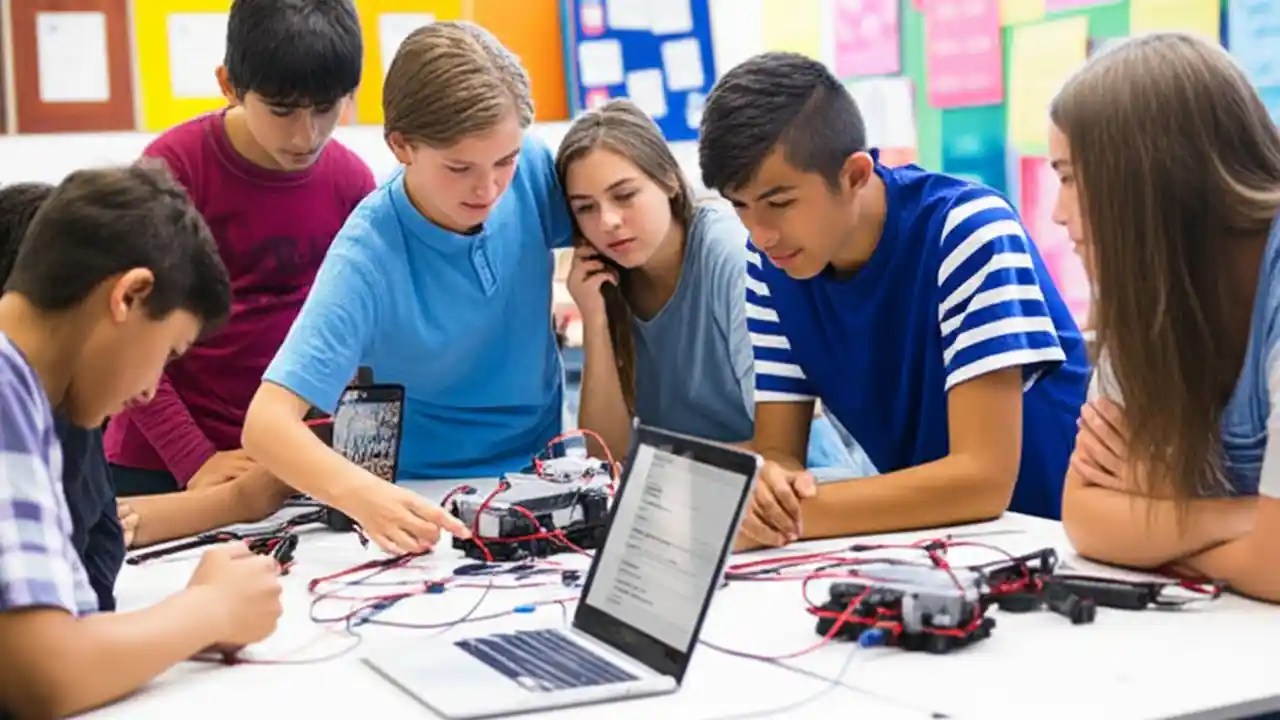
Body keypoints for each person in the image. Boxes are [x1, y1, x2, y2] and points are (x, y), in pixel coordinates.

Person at [698, 52, 1089, 550]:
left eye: (779, 203)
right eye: (740, 207)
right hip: (929, 547)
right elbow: (779, 452)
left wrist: (780, 518)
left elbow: (983, 480)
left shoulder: (967, 231)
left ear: (856, 174)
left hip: (1053, 544)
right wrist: (767, 494)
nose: (761, 233)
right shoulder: (769, 265)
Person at [244, 21, 570, 554]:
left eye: (503, 161)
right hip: (425, 497)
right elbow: (265, 426)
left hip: (547, 476)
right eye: (459, 167)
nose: (488, 187)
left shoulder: (531, 166)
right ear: (401, 145)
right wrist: (361, 495)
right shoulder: (368, 253)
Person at [0, 163, 282, 719]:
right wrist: (209, 610)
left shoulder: (32, 401)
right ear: (129, 296)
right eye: (168, 352)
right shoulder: (7, 391)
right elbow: (44, 676)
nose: (151, 388)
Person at [104, 0, 375, 497]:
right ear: (229, 84)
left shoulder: (353, 183)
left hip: (291, 459)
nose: (306, 134)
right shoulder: (172, 170)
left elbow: (353, 336)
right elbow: (126, 334)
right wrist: (195, 461)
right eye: (281, 109)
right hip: (161, 463)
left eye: (325, 108)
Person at [1052, 33, 1280, 601]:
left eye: (1069, 178)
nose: (1058, 214)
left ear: (1145, 179)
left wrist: (1163, 514)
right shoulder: (1153, 289)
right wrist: (1241, 518)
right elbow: (1084, 516)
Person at [556, 98, 869, 471]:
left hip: (803, 485)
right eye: (585, 208)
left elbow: (782, 447)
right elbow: (605, 455)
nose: (608, 221)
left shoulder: (729, 252)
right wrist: (595, 318)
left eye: (625, 196)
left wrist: (652, 474)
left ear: (670, 180)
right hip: (691, 497)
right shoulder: (612, 281)